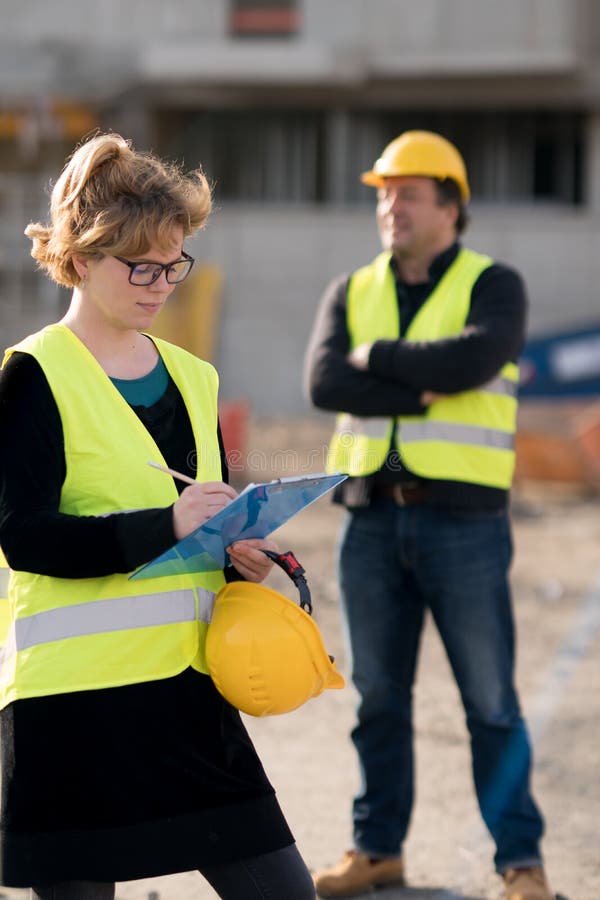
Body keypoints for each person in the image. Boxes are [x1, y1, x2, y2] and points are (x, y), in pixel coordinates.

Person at [0, 132, 316, 900]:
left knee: (284, 892)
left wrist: (233, 547)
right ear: (79, 260)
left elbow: (195, 517)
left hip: (186, 693)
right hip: (71, 709)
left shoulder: (194, 377)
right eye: (141, 265)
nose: (161, 283)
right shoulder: (32, 374)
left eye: (174, 263)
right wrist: (165, 527)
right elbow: (22, 539)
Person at [304, 130, 553, 900]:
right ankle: (377, 849)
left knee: (489, 701)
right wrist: (417, 382)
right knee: (377, 698)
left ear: (451, 206)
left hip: (465, 526)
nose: (390, 206)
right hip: (369, 522)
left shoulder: (495, 284)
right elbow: (321, 384)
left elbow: (471, 362)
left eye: (407, 192)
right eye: (383, 193)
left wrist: (372, 358)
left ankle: (521, 863)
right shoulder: (350, 288)